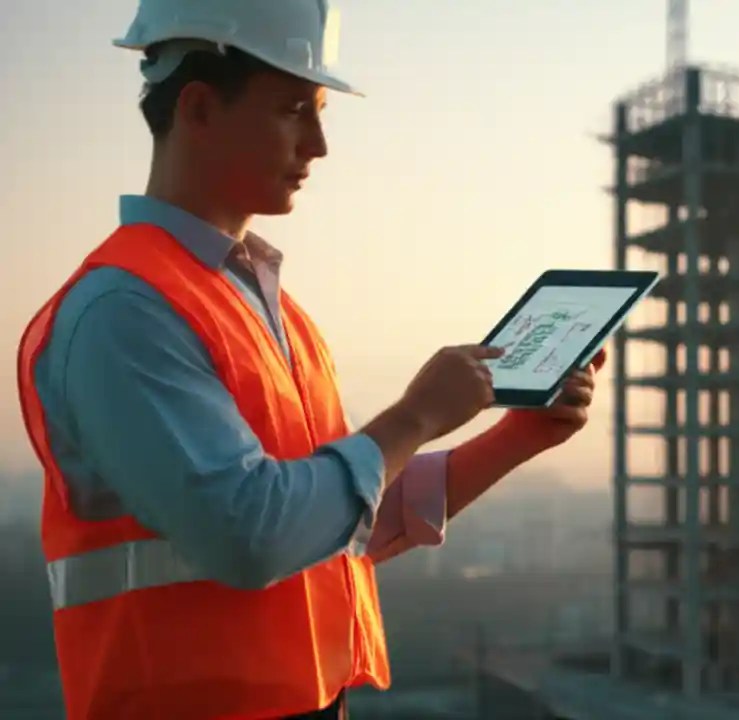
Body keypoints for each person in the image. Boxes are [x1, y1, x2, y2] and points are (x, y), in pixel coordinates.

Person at [13, 1, 604, 718]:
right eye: (295, 109)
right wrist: (415, 416)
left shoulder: (271, 313)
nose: (319, 145)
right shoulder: (123, 312)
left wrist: (518, 436)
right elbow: (252, 534)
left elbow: (339, 516)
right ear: (198, 109)